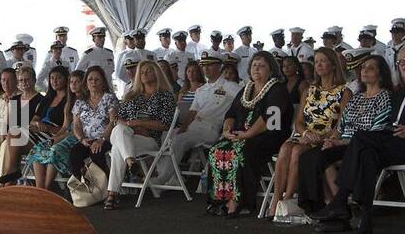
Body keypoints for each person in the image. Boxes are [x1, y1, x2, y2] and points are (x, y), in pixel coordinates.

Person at [311, 45, 405, 234]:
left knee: (361, 138)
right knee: (367, 154)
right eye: (399, 62)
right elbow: (388, 125)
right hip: (392, 142)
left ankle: (341, 200)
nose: (402, 64)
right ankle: (365, 218)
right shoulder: (400, 94)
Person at [295, 55, 394, 216]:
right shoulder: (357, 98)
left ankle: (337, 205)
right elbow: (341, 126)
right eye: (363, 67)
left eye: (371, 68)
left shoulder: (385, 97)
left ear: (381, 74)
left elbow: (376, 132)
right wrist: (332, 140)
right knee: (309, 156)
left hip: (365, 146)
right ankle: (321, 205)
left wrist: (340, 143)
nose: (365, 71)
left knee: (323, 157)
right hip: (343, 143)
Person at [206, 52, 292, 217]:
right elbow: (231, 114)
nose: (257, 68)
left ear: (271, 70)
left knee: (240, 151)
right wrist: (226, 131)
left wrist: (246, 135)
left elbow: (270, 119)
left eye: (262, 66)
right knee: (216, 149)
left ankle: (238, 201)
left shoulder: (277, 89)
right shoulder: (246, 89)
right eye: (254, 65)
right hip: (241, 135)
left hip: (268, 137)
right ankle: (220, 199)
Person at [269, 47, 347, 222]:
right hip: (305, 134)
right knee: (285, 148)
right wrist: (305, 132)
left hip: (327, 138)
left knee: (297, 152)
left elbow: (342, 124)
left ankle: (288, 199)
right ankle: (276, 198)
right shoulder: (309, 90)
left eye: (323, 61)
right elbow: (298, 122)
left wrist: (322, 136)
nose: (318, 65)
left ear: (333, 65)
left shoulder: (344, 92)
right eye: (316, 61)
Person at [156, 52, 241, 184]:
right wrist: (182, 128)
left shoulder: (230, 86)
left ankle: (162, 178)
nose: (206, 68)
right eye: (204, 65)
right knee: (165, 135)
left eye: (210, 65)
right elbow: (192, 112)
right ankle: (171, 177)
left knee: (180, 140)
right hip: (194, 126)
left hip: (211, 129)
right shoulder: (201, 89)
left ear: (219, 66)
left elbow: (245, 102)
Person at [103, 61, 176, 210]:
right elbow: (117, 119)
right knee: (120, 130)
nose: (144, 74)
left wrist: (138, 124)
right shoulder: (131, 95)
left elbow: (165, 124)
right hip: (127, 135)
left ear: (157, 73)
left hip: (149, 139)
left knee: (118, 147)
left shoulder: (165, 96)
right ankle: (130, 162)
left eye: (149, 71)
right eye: (142, 72)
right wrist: (130, 125)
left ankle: (112, 194)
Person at [26, 67, 79, 189]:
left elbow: (71, 129)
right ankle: (40, 190)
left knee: (53, 149)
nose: (54, 81)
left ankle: (47, 188)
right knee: (38, 148)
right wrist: (56, 136)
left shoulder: (73, 101)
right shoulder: (48, 98)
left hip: (74, 137)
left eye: (58, 78)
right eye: (51, 78)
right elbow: (65, 126)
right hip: (46, 132)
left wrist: (53, 134)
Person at [68, 66, 119, 187]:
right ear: (86, 83)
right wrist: (81, 139)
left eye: (97, 79)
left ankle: (105, 189)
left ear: (103, 82)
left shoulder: (109, 98)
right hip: (87, 140)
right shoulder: (80, 102)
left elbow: (113, 121)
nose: (93, 82)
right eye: (90, 79)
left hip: (106, 138)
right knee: (74, 154)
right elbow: (76, 124)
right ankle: (84, 187)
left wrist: (101, 140)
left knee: (97, 153)